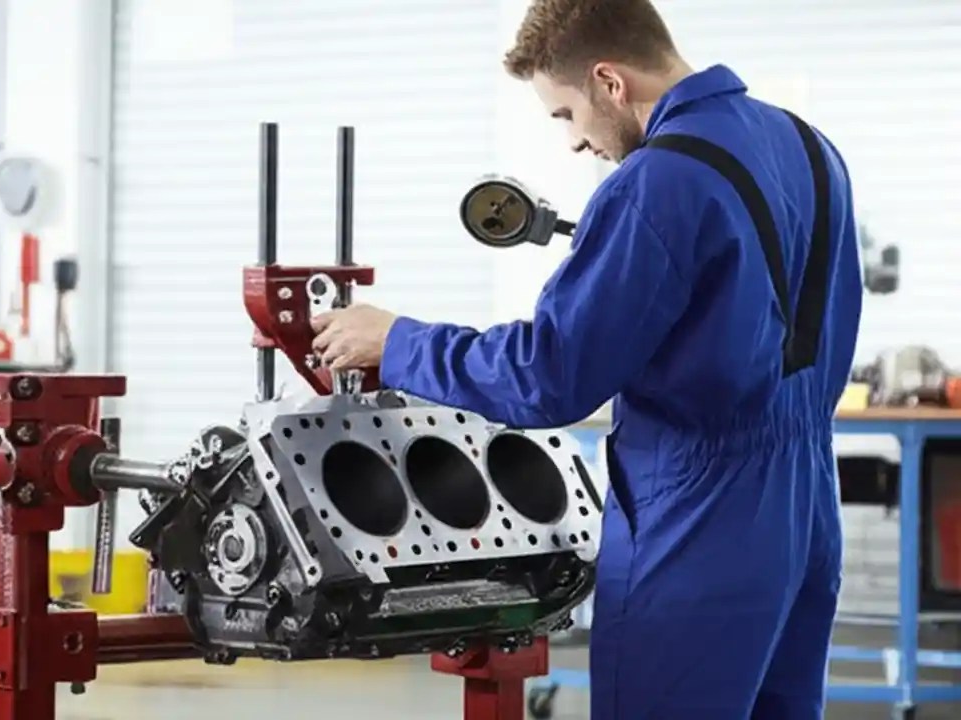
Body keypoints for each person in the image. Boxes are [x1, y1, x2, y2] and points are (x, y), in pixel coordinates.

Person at [309, 0, 862, 718]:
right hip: (807, 513)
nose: (573, 142)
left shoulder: (655, 183)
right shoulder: (811, 147)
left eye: (564, 115)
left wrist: (400, 341)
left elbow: (550, 374)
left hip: (697, 525)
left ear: (609, 81)